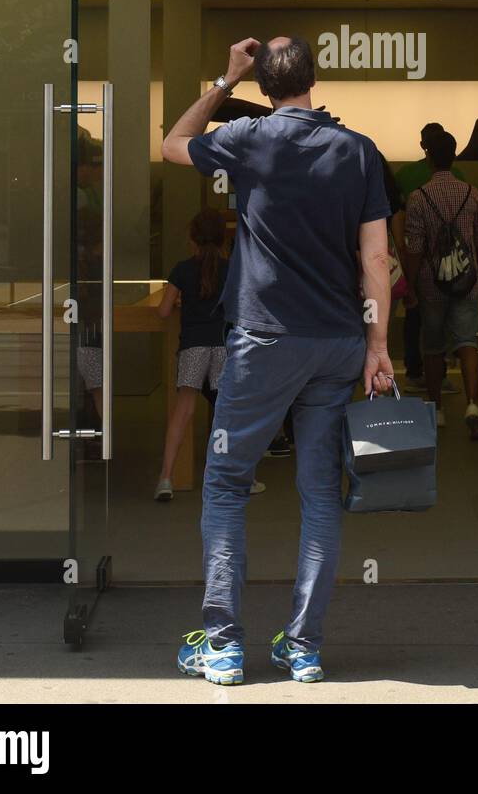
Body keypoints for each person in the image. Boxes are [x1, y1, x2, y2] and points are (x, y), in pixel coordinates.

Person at [162, 34, 393, 686]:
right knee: (319, 492)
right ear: (313, 80)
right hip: (338, 342)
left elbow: (172, 144)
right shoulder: (358, 152)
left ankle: (224, 645)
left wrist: (223, 78)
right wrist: (377, 347)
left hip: (263, 340)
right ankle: (303, 647)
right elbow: (375, 260)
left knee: (227, 483)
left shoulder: (250, 140)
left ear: (263, 87)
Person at [154, 209, 266, 502]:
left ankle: (165, 478)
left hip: (193, 346)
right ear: (221, 238)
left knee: (183, 411)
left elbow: (164, 311)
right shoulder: (232, 269)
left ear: (192, 237)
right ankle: (240, 478)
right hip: (222, 346)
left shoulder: (182, 269)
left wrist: (181, 301)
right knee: (227, 414)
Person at [403, 130, 478, 439]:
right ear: (454, 157)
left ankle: (437, 408)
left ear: (428, 156)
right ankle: (473, 404)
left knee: (434, 345)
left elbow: (415, 248)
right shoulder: (472, 193)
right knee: (467, 342)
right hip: (466, 280)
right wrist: (472, 268)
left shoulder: (418, 197)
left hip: (431, 281)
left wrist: (410, 286)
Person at [395, 123, 464, 395]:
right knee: (443, 321)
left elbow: (397, 220)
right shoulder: (457, 176)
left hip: (415, 257)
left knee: (414, 317)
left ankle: (414, 371)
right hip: (449, 260)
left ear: (424, 146)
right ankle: (441, 373)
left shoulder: (405, 176)